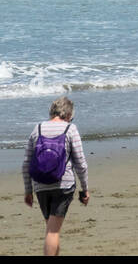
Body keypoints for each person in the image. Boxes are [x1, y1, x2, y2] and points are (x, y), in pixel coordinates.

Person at [22, 96, 89, 255]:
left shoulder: (37, 128)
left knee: (51, 228)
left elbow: (26, 163)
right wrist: (85, 189)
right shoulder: (70, 128)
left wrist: (28, 190)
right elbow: (80, 163)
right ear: (68, 114)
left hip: (40, 184)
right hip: (63, 185)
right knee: (53, 231)